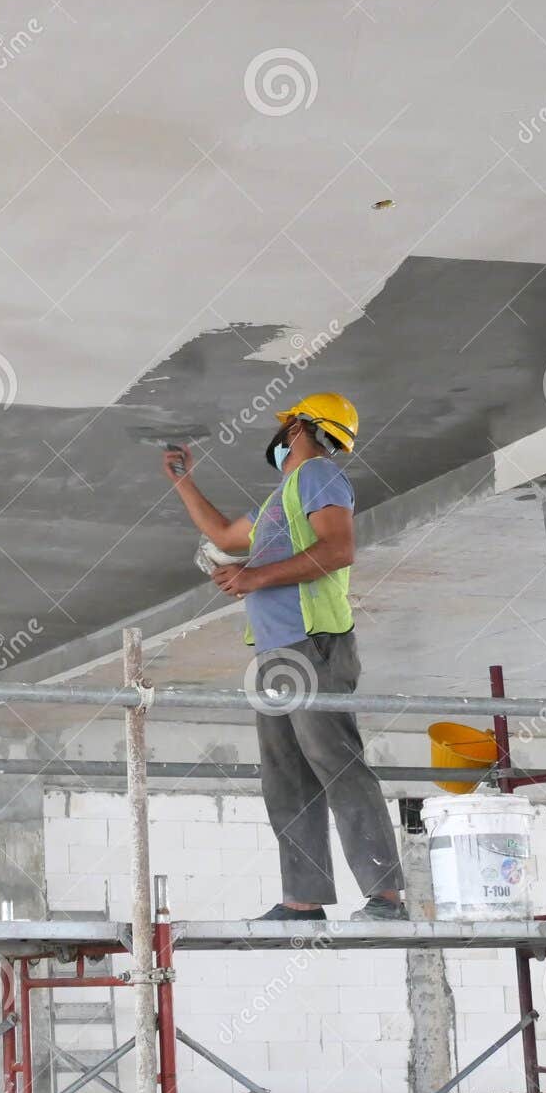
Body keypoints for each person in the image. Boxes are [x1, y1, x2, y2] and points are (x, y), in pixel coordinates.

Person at [163, 393, 406, 922]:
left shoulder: (318, 476)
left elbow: (338, 549)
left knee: (335, 762)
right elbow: (227, 535)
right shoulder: (284, 495)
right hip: (276, 651)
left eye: (285, 424)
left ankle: (385, 896)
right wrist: (183, 482)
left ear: (299, 426)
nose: (279, 433)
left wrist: (253, 577)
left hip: (312, 643)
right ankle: (304, 899)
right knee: (286, 774)